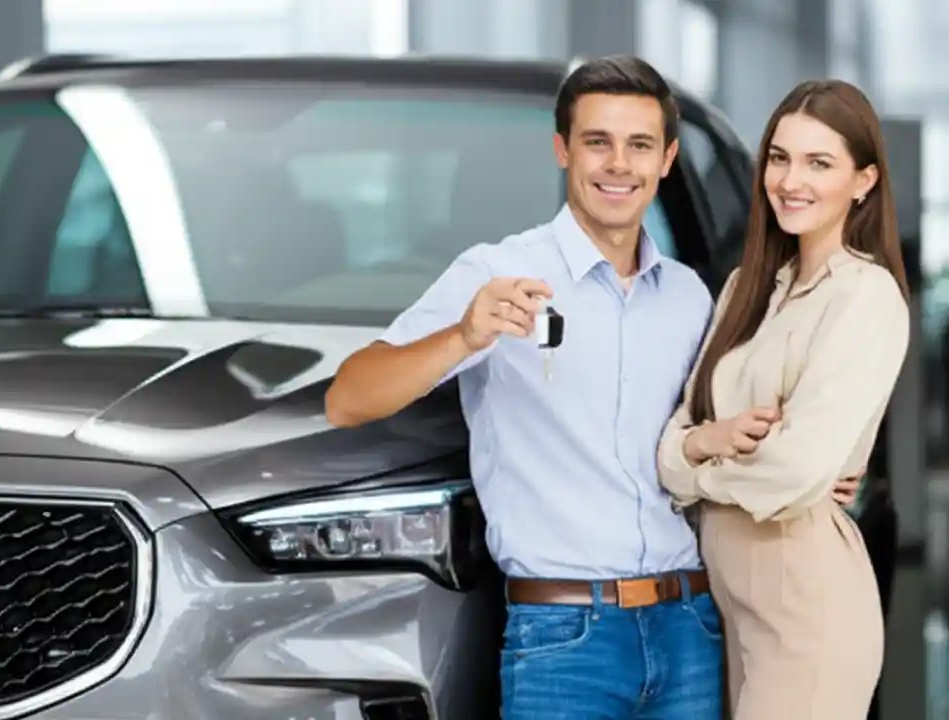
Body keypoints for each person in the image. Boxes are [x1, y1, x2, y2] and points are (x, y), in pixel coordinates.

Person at [327, 54, 731, 718]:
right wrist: (463, 335)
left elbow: (702, 442)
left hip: (690, 625)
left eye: (639, 145)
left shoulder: (689, 296)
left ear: (666, 159)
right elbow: (349, 396)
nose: (618, 165)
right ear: (561, 150)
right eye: (597, 142)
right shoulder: (496, 272)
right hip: (566, 638)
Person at [656, 79, 910, 719]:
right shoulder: (747, 286)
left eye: (819, 163)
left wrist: (695, 466)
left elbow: (794, 473)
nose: (790, 180)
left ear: (863, 180)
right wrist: (702, 443)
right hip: (734, 608)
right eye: (779, 157)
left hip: (807, 606)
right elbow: (678, 435)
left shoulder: (864, 295)